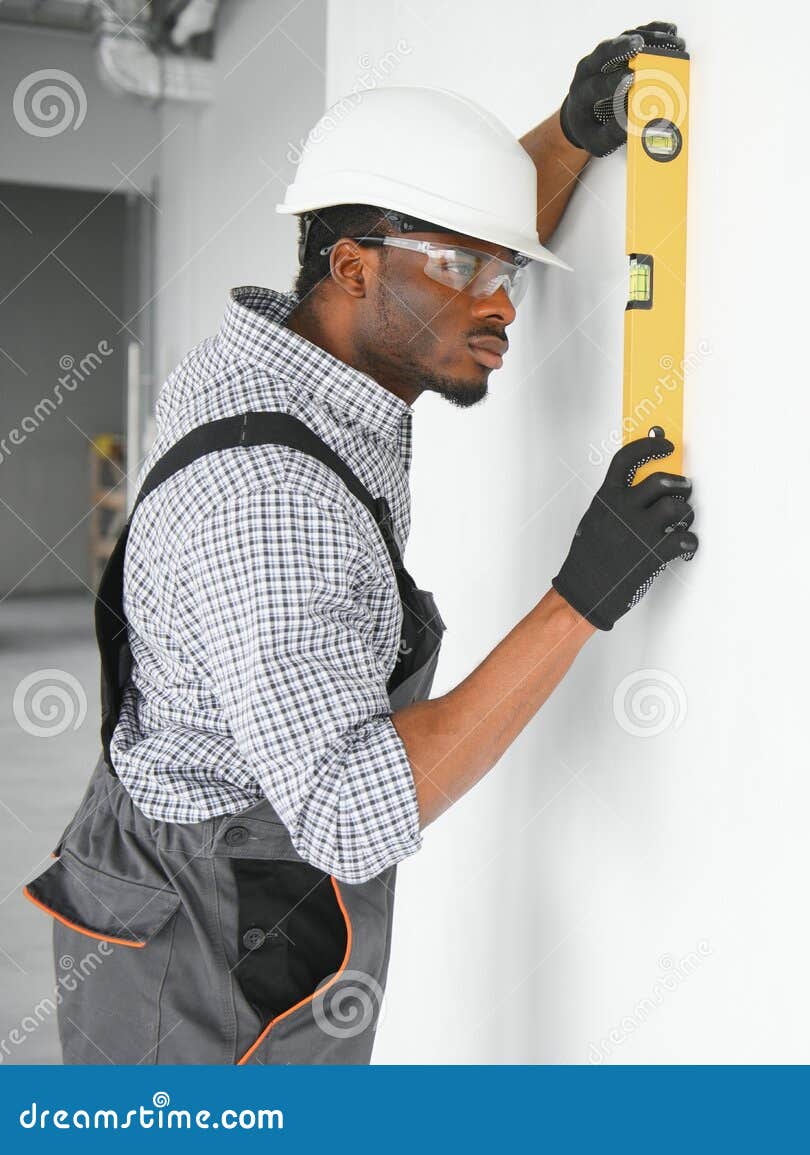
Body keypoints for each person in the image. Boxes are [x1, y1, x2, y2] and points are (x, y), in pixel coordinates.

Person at [23, 21, 696, 1065]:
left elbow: (424, 252)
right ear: (351, 269)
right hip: (207, 940)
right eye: (471, 271)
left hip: (188, 865)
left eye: (505, 268)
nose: (502, 304)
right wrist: (580, 597)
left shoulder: (299, 356)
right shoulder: (274, 502)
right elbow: (346, 813)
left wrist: (565, 140)